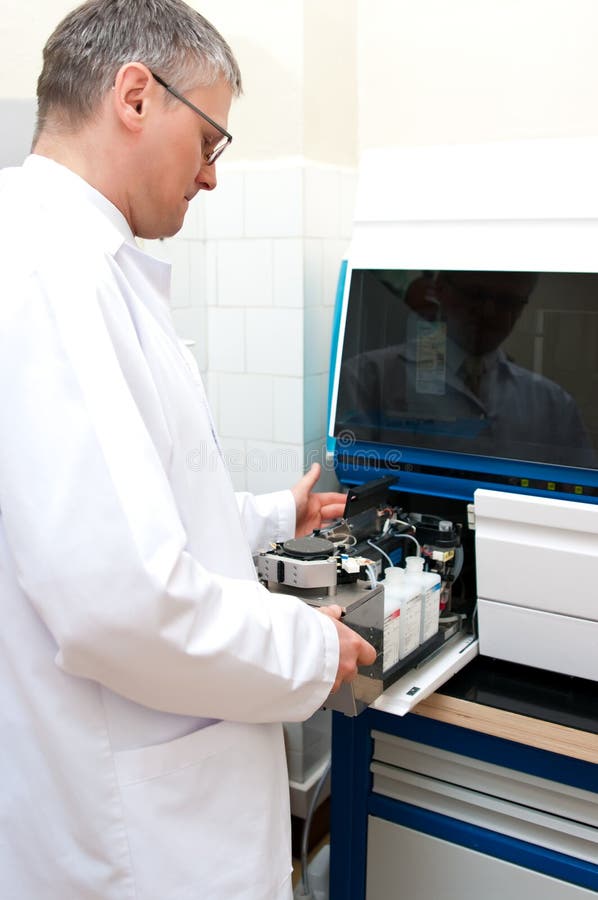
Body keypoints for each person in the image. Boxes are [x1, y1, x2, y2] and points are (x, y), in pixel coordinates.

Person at [0, 2, 376, 898]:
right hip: (137, 845)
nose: (210, 177)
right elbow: (118, 602)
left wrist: (270, 514)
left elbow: (130, 508)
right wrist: (309, 650)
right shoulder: (52, 272)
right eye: (209, 141)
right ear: (136, 96)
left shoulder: (87, 265)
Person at [338, 270, 596, 467]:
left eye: (507, 301)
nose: (489, 311)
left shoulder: (554, 404)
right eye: (475, 295)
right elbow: (354, 482)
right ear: (439, 291)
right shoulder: (369, 376)